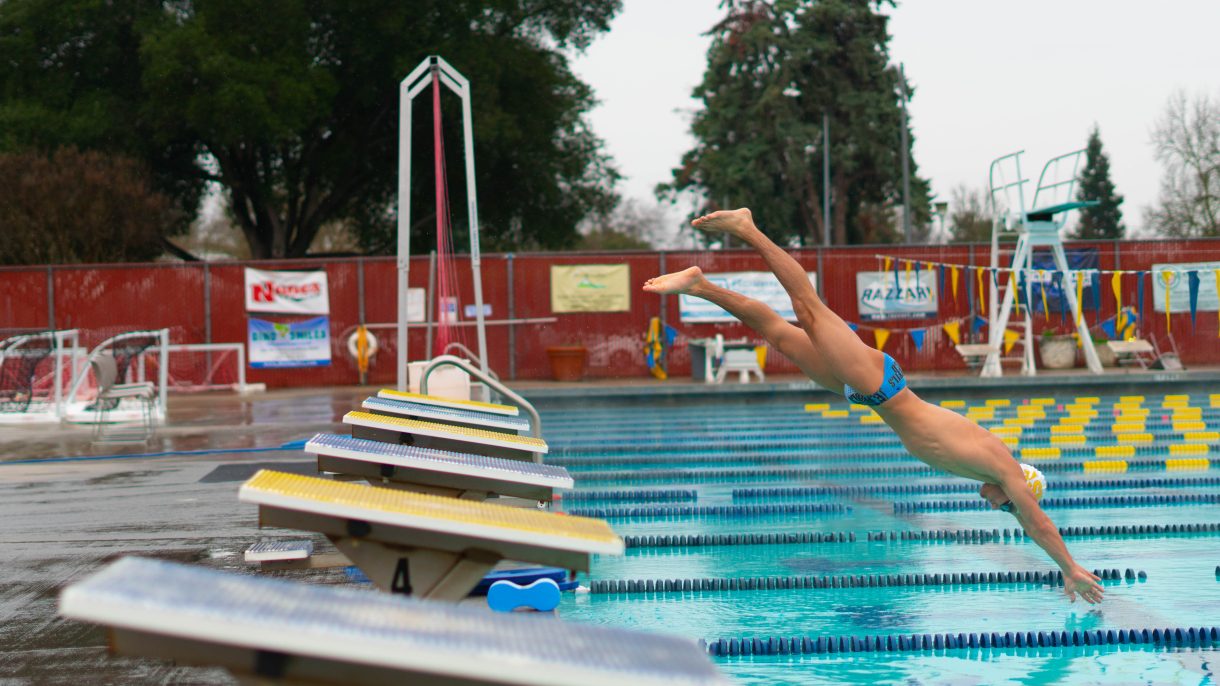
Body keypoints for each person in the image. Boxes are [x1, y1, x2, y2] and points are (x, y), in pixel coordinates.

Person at [643, 208, 1104, 604]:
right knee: (808, 308)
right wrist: (1070, 567)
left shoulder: (989, 472)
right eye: (1009, 506)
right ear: (1018, 488)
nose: (1002, 509)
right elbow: (1037, 522)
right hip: (880, 384)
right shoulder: (1002, 466)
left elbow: (1026, 516)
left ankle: (700, 285)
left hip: (871, 394)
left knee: (778, 333)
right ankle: (748, 228)